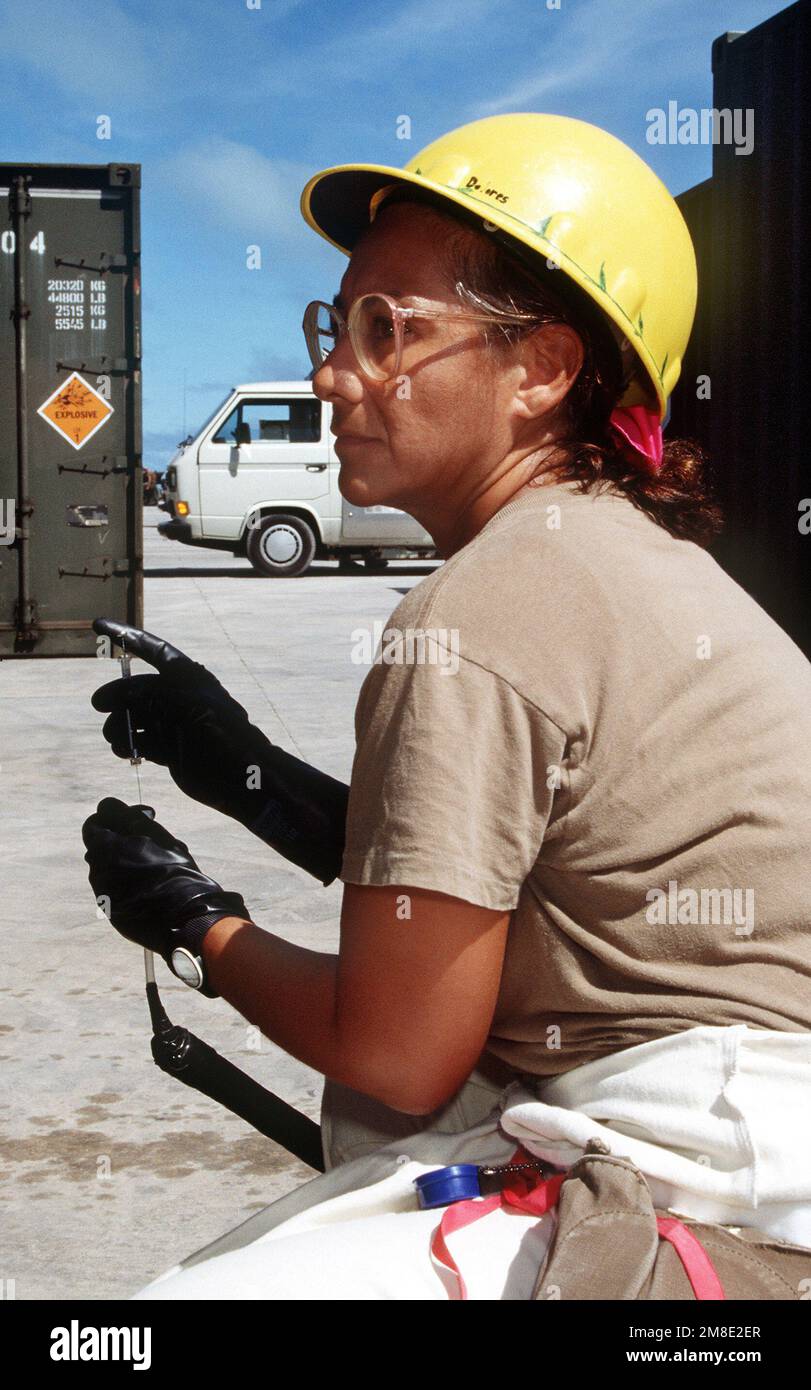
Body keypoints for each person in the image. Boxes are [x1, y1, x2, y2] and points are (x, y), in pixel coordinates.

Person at [83, 114, 811, 1300]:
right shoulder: (610, 553)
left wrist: (195, 921)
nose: (333, 375)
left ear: (542, 368)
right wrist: (248, 771)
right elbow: (498, 903)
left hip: (702, 1184)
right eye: (336, 324)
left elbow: (397, 1046)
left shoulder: (484, 608)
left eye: (387, 331)